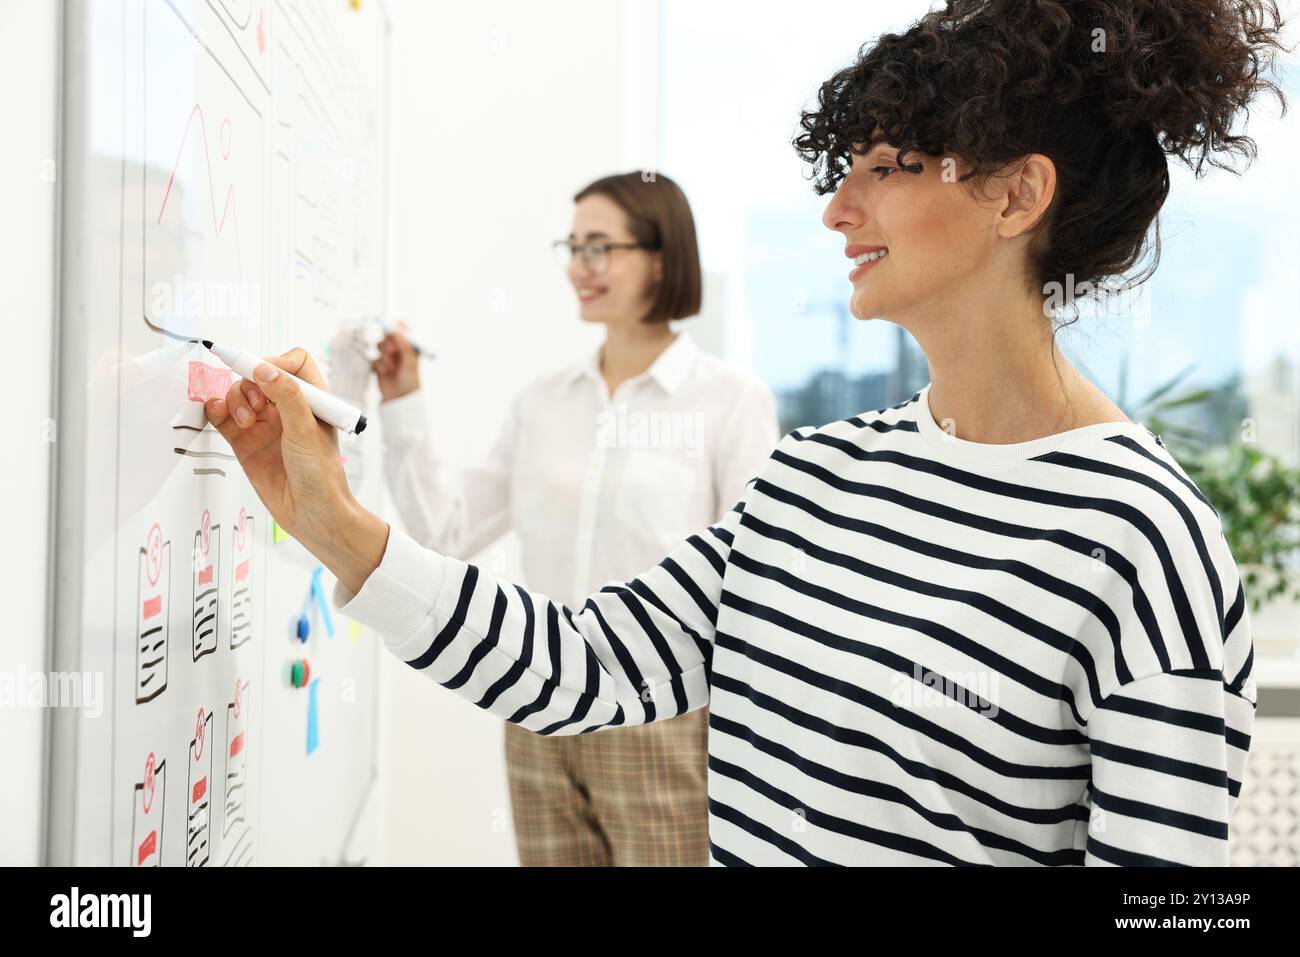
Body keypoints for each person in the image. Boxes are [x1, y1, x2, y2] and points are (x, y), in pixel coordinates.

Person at [205, 0, 1280, 865]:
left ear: (1015, 195)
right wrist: (332, 523)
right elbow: (579, 666)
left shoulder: (1142, 544)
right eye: (841, 169)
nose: (835, 210)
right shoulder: (814, 481)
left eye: (885, 166)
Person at [352, 172, 778, 865]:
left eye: (600, 247)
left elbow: (753, 583)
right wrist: (403, 400)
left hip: (659, 715)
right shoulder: (543, 403)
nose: (580, 266)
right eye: (572, 246)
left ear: (663, 258)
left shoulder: (730, 402)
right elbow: (445, 533)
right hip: (535, 700)